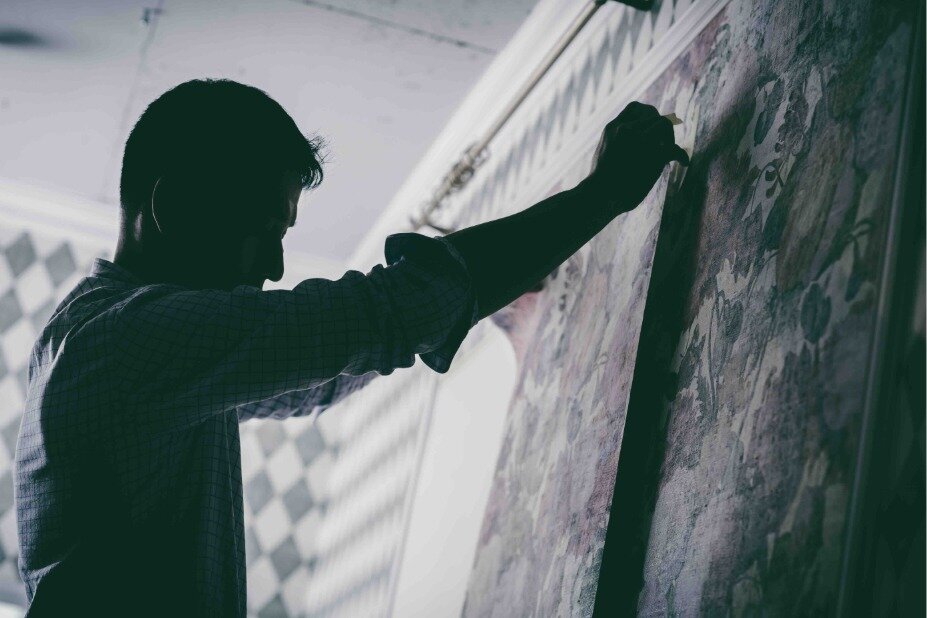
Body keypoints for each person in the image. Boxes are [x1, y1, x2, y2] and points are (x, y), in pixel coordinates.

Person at [14, 78, 687, 616]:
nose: (274, 268)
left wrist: (480, 296)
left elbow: (317, 378)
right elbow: (380, 314)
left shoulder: (121, 350)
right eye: (263, 231)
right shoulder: (127, 341)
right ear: (175, 207)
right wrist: (603, 193)